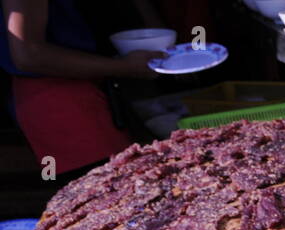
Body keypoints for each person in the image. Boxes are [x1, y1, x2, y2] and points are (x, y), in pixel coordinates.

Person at [1, 0, 164, 175]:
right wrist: (125, 67)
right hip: (58, 102)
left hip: (90, 90)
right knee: (101, 192)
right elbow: (29, 56)